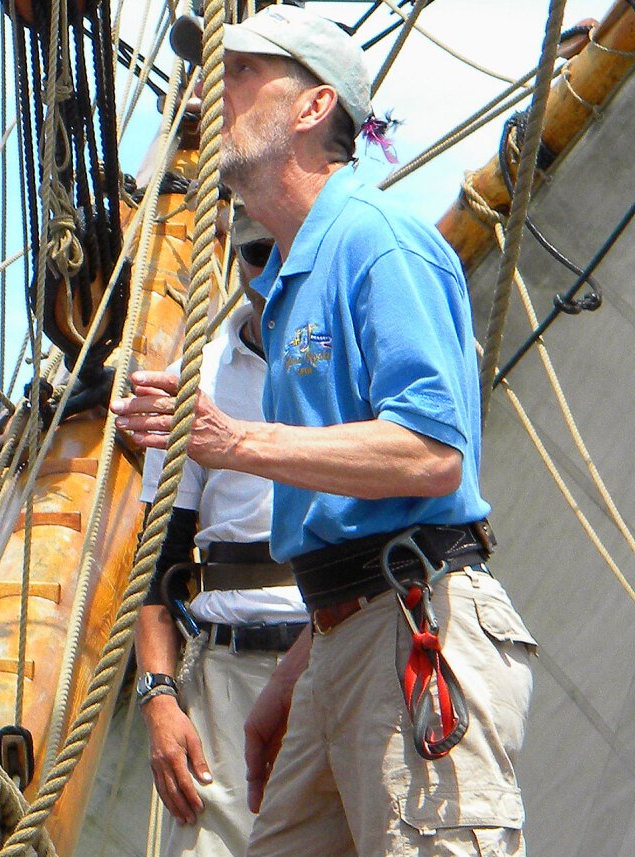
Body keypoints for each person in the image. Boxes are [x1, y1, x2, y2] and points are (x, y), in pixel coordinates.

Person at [114, 6, 534, 855]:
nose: (208, 93)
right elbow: (349, 527)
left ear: (314, 107)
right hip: (341, 637)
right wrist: (301, 674)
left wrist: (234, 442)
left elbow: (432, 453)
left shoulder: (379, 244)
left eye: (239, 73)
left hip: (415, 628)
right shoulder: (295, 280)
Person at [133, 208, 305, 857]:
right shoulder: (198, 380)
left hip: (346, 654)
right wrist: (159, 697)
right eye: (257, 251)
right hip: (229, 680)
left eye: (288, 244)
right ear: (232, 254)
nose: (274, 268)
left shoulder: (358, 356)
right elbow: (158, 568)